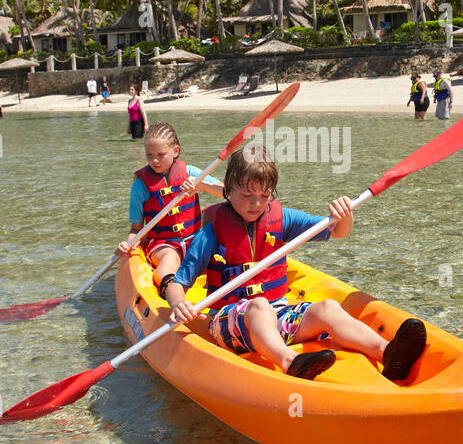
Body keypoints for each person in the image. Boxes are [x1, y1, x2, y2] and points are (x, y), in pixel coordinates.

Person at [162, 146, 428, 383]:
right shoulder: (211, 232)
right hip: (227, 324)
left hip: (277, 316)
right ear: (228, 190)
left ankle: (388, 352)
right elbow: (179, 283)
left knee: (328, 308)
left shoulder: (281, 218)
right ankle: (291, 363)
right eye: (246, 195)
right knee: (258, 306)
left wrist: (343, 215)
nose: (256, 204)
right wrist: (178, 303)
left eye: (264, 195)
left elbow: (337, 231)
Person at [117, 122, 223, 291]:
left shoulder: (190, 173)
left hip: (194, 240)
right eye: (149, 154)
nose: (154, 160)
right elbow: (136, 230)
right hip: (163, 244)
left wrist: (202, 185)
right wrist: (128, 244)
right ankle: (170, 286)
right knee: (169, 259)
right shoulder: (140, 186)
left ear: (175, 151)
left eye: (160, 154)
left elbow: (227, 192)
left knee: (219, 252)